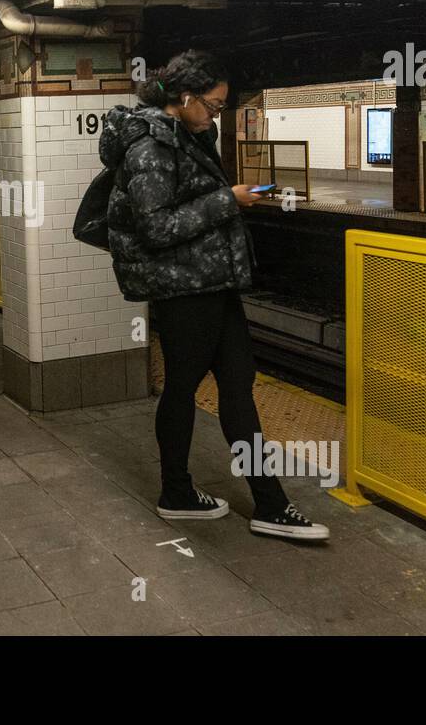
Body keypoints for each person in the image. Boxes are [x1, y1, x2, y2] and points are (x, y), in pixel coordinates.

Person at [99, 49, 329, 541]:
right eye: (214, 104)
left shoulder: (188, 134)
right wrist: (229, 199)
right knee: (183, 388)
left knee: (237, 384)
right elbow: (157, 227)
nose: (216, 114)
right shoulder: (149, 148)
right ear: (185, 98)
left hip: (211, 281)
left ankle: (270, 504)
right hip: (182, 288)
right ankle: (177, 492)